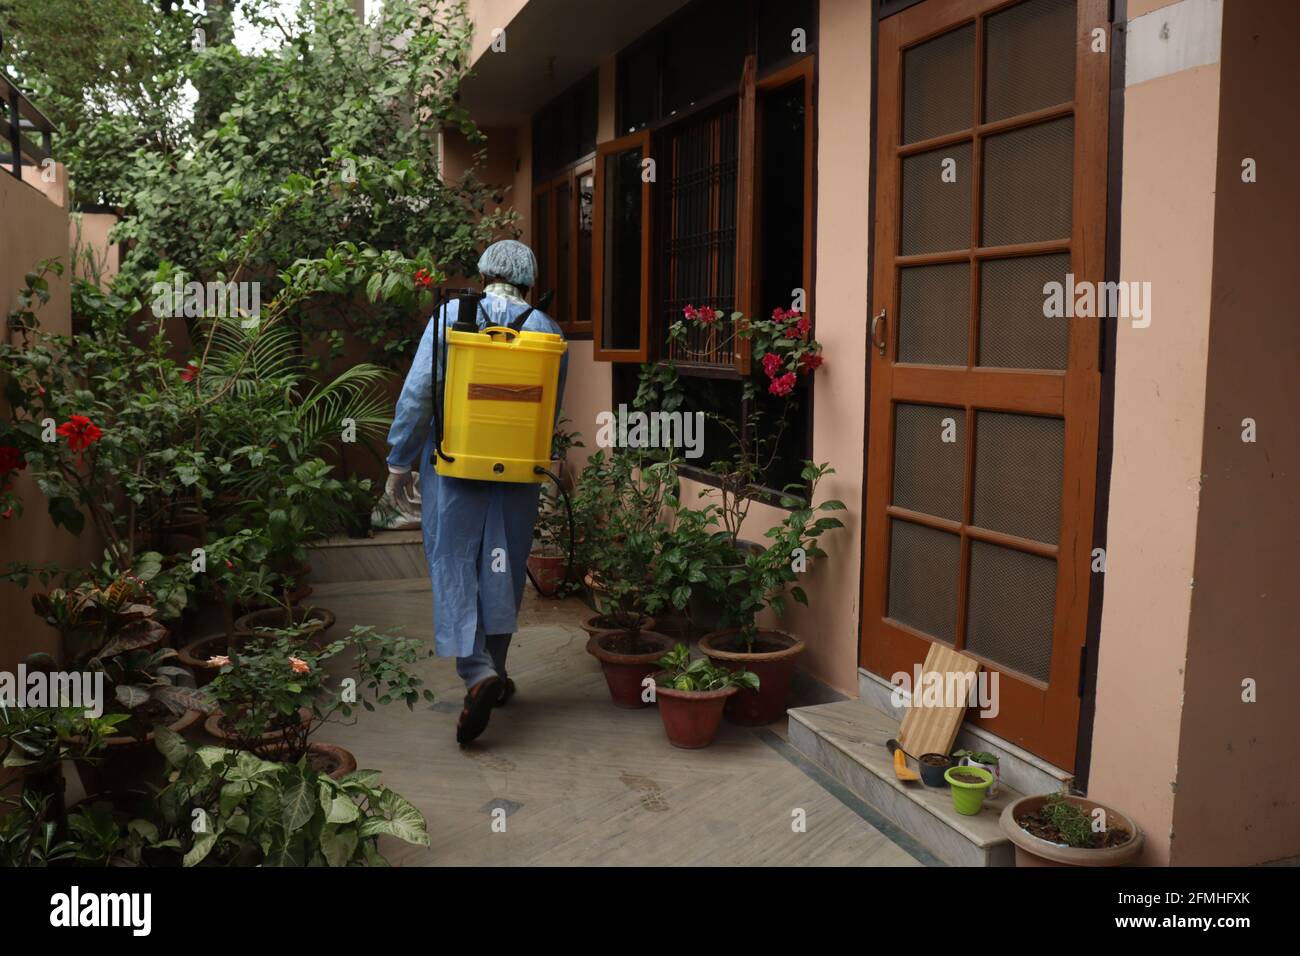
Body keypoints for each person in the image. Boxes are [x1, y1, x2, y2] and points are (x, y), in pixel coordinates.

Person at [385, 240, 567, 745]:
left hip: (452, 466)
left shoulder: (449, 316)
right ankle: (497, 671)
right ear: (529, 281)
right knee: (502, 565)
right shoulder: (546, 327)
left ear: (484, 274)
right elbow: (550, 409)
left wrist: (400, 460)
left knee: (455, 561)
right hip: (517, 471)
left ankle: (477, 672)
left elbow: (419, 392)